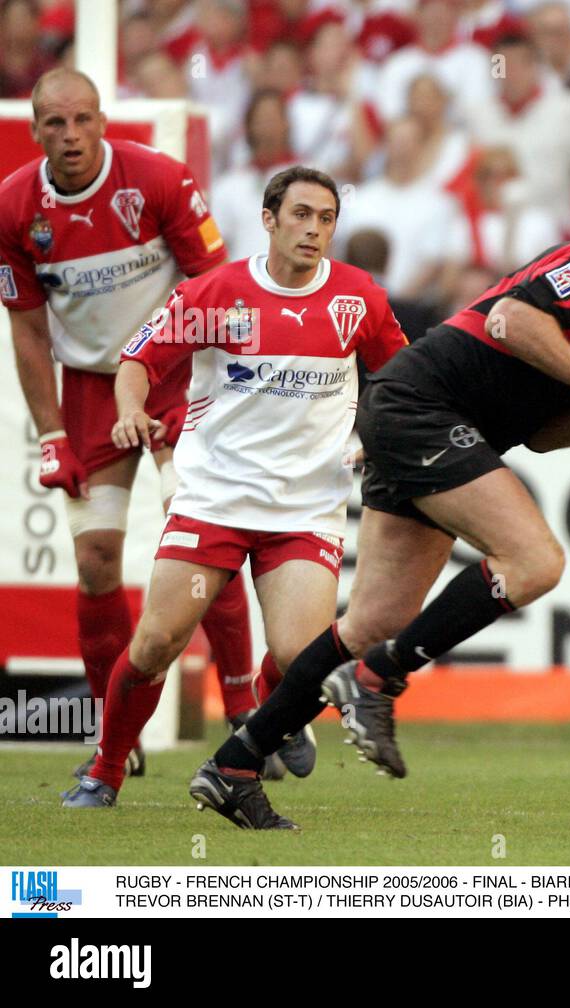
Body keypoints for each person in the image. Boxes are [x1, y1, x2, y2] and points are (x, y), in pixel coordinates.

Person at [188, 195, 570, 829]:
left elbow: (543, 437)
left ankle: (234, 764)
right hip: (425, 411)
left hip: (425, 419)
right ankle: (379, 681)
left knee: (371, 623)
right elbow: (508, 320)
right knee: (533, 562)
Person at [62, 166, 408, 816]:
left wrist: (376, 433)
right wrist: (130, 409)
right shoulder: (215, 293)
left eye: (326, 218)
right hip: (215, 496)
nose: (313, 230)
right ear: (269, 219)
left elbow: (402, 377)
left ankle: (268, 713)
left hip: (306, 505)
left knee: (298, 656)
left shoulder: (358, 299)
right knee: (158, 642)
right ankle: (104, 770)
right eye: (301, 214)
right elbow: (138, 359)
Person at [0, 68, 256, 781]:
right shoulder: (15, 208)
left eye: (82, 119)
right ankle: (118, 730)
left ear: (103, 120)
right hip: (88, 391)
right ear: (35, 131)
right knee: (95, 563)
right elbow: (26, 332)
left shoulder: (160, 179)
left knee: (200, 536)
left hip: (178, 377)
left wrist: (224, 394)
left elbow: (221, 291)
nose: (71, 135)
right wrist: (51, 434)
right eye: (55, 123)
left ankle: (241, 708)